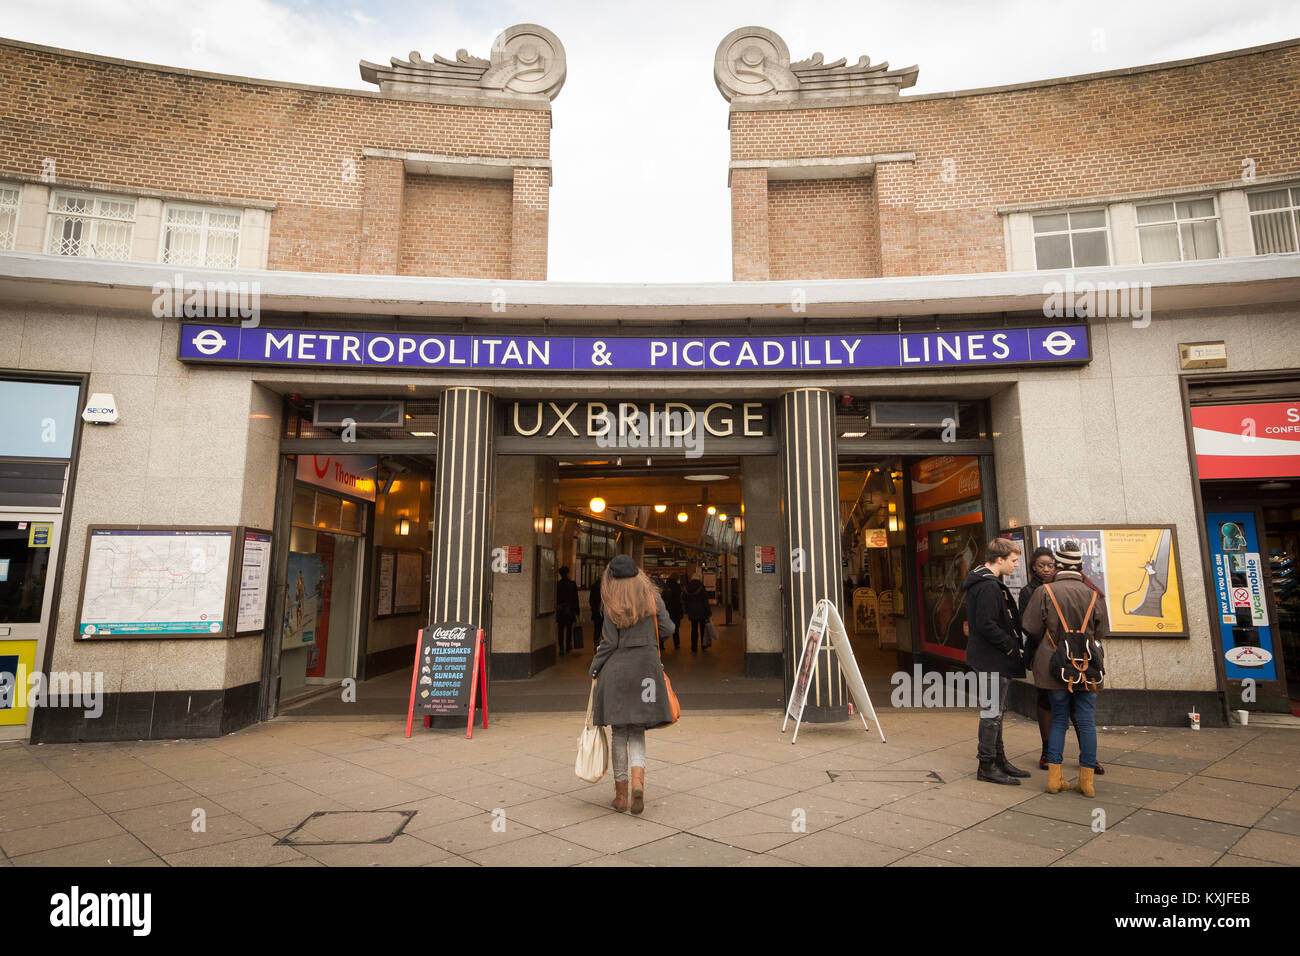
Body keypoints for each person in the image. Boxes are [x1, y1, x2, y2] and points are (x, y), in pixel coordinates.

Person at [589, 555, 676, 814]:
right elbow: (668, 629)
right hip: (645, 671)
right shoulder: (652, 598)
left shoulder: (611, 602)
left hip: (617, 672)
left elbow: (609, 643)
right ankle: (639, 782)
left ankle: (620, 795)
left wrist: (594, 667)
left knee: (619, 733)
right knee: (637, 730)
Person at [1022, 541, 1107, 797]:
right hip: (1087, 665)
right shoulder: (1093, 594)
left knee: (1058, 717)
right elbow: (1103, 631)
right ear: (1080, 567)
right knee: (1086, 720)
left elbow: (1030, 627)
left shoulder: (1044, 592)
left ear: (1058, 566)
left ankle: (1055, 779)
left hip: (1054, 665)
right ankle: (1087, 781)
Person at [961, 536, 1029, 786]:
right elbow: (987, 624)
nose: (1015, 566)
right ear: (999, 559)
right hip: (992, 658)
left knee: (996, 712)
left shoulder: (984, 582)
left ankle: (999, 760)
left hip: (990, 657)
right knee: (992, 713)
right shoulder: (988, 586)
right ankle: (987, 765)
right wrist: (1011, 647)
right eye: (1013, 561)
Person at [556, 566, 579, 657]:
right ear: (568, 573)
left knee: (560, 629)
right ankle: (568, 646)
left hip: (561, 611)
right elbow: (575, 599)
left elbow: (556, 599)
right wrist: (577, 612)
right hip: (570, 611)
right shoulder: (572, 584)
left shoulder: (558, 584)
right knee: (569, 629)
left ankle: (561, 647)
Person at [683, 575, 711, 652]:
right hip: (702, 611)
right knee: (702, 629)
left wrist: (687, 609)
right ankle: (703, 644)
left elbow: (684, 599)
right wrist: (708, 611)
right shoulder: (701, 588)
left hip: (692, 611)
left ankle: (694, 647)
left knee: (694, 629)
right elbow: (705, 601)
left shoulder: (687, 588)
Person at [662, 575, 685, 651]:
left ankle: (662, 644)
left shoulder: (665, 586)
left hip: (667, 609)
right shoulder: (678, 587)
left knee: (663, 627)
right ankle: (677, 643)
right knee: (676, 628)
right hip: (676, 609)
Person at [589, 576, 603, 651]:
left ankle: (596, 644)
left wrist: (594, 610)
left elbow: (591, 600)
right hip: (604, 613)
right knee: (604, 629)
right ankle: (603, 644)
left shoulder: (594, 587)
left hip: (596, 613)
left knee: (597, 629)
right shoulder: (605, 587)